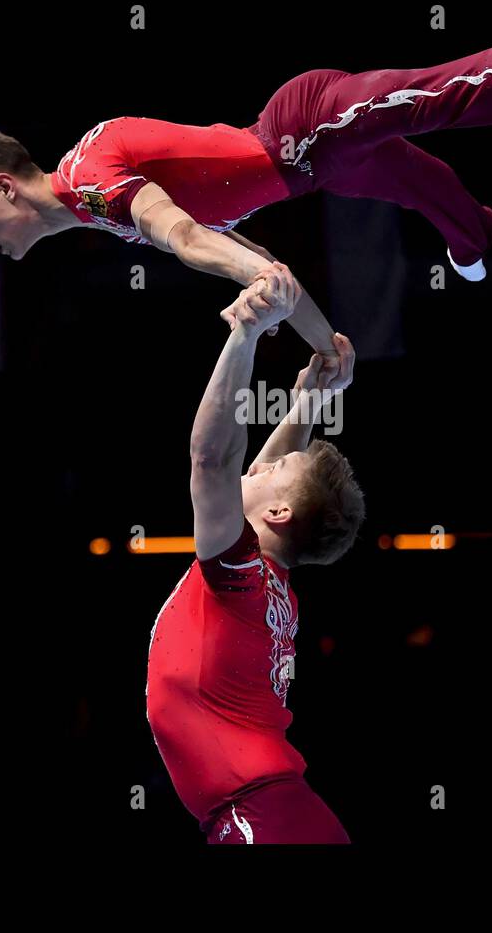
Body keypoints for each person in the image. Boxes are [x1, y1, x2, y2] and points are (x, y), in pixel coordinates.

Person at [0, 44, 492, 355]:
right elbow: (253, 253)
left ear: (6, 187)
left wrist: (246, 275)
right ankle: (475, 235)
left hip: (300, 127)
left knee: (433, 94)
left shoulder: (92, 180)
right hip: (317, 171)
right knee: (433, 195)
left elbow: (184, 237)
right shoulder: (90, 209)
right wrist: (326, 346)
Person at [144, 267, 363, 842]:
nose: (261, 463)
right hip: (276, 814)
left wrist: (245, 329)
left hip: (259, 818)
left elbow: (213, 460)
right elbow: (266, 476)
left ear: (278, 516)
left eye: (273, 471)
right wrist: (309, 401)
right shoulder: (261, 580)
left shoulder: (240, 576)